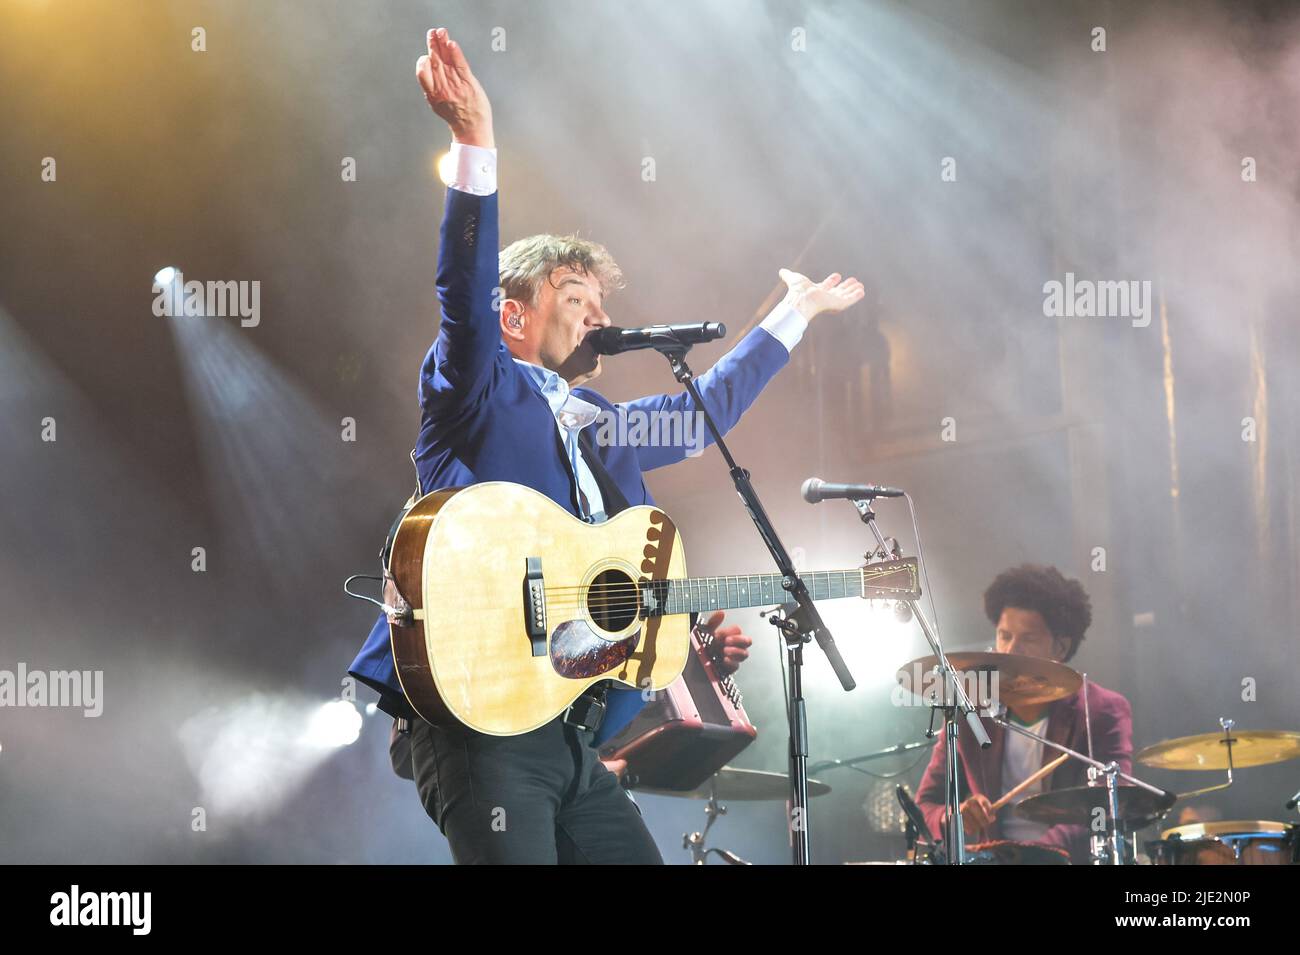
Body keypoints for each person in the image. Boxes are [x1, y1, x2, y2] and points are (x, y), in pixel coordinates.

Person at [348, 27, 866, 864]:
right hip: (476, 710)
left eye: (599, 301)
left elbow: (704, 413)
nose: (596, 314)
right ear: (514, 314)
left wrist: (794, 313)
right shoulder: (476, 382)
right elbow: (462, 292)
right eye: (575, 293)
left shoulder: (600, 423)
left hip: (566, 729)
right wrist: (475, 144)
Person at [914, 564, 1133, 864]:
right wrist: (954, 817)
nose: (1009, 650)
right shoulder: (969, 711)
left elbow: (1109, 804)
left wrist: (1032, 856)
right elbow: (925, 804)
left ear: (1060, 647)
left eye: (1027, 639)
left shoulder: (1101, 710)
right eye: (1004, 636)